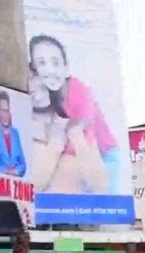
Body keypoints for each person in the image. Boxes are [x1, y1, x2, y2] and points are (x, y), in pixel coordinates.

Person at [28, 35, 123, 194]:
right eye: (41, 63)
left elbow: (79, 137)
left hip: (106, 154)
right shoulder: (45, 99)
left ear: (66, 69)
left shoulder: (80, 94)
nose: (50, 70)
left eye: (55, 63)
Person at [0, 91, 26, 177]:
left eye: (7, 110)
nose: (5, 114)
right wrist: (6, 171)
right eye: (2, 110)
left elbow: (23, 165)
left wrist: (16, 171)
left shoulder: (15, 133)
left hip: (16, 181)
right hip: (2, 182)